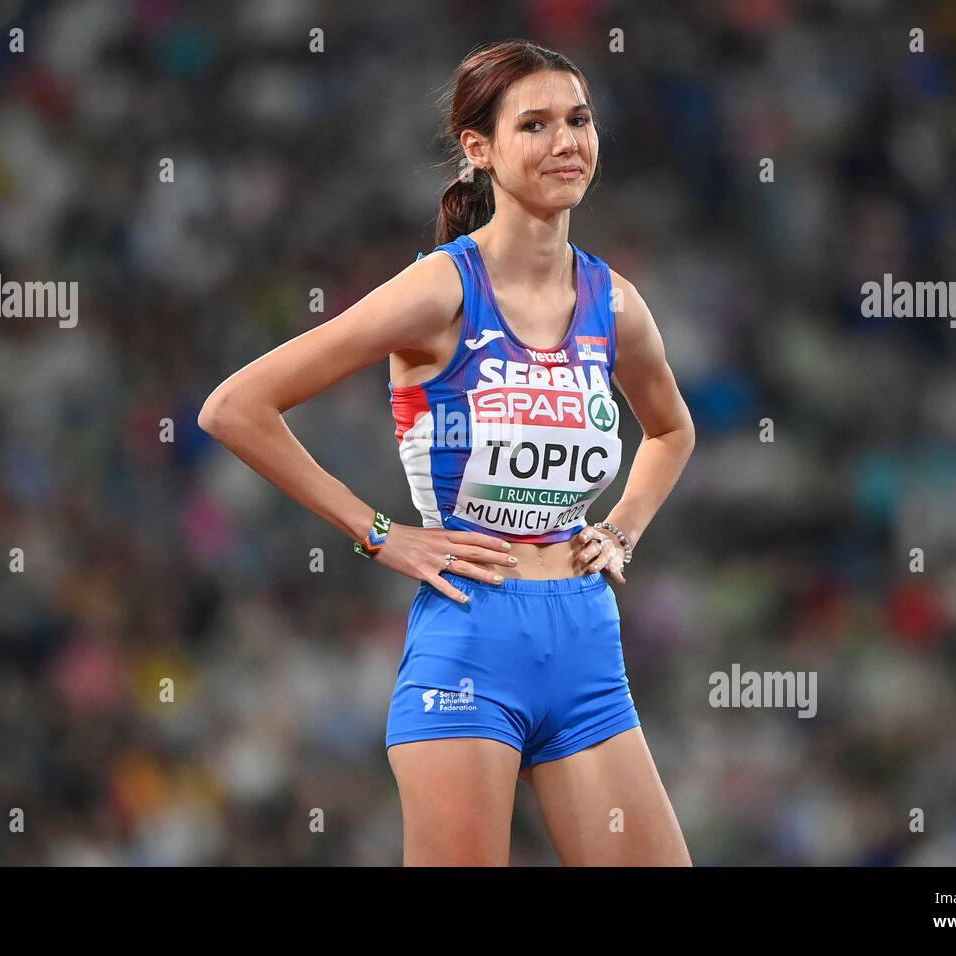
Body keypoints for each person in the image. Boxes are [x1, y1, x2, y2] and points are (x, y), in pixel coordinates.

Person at [199, 39, 696, 866]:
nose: (566, 142)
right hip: (471, 648)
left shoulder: (616, 304)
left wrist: (625, 528)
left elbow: (671, 429)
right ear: (480, 149)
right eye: (534, 124)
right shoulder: (440, 289)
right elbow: (235, 407)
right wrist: (380, 532)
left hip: (586, 645)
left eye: (579, 119)